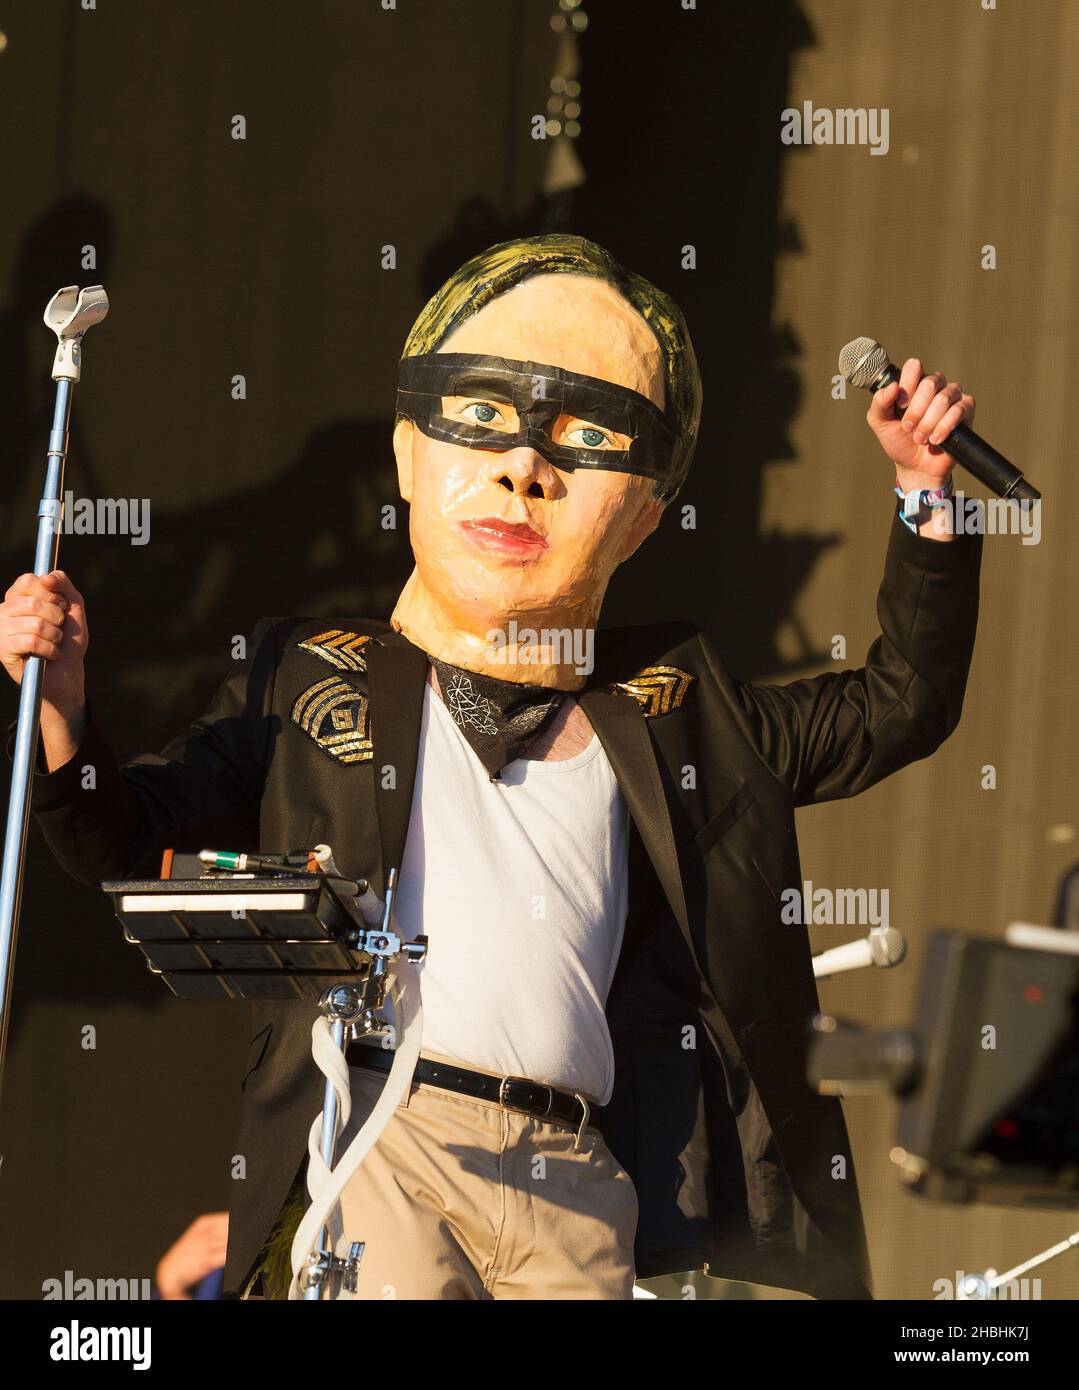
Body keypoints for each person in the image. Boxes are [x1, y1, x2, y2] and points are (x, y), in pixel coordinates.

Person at [1, 235, 981, 1300]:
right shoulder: (306, 679)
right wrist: (60, 705)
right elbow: (122, 836)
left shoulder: (673, 712)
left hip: (578, 1167)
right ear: (408, 454)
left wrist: (922, 489)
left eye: (589, 436)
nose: (523, 469)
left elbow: (899, 705)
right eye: (477, 416)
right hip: (392, 1123)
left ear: (645, 514)